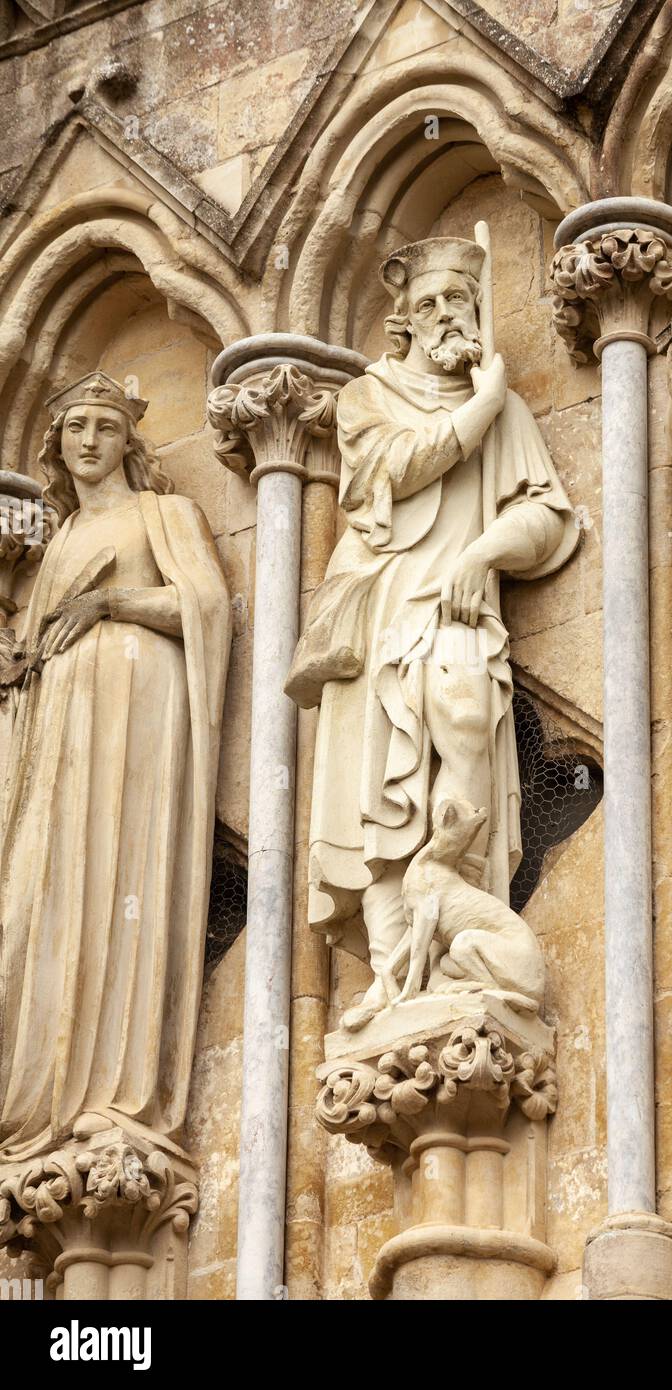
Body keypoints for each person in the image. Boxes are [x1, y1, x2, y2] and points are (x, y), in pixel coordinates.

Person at [286, 237, 578, 1028]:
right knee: (376, 803)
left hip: (455, 619)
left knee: (460, 751)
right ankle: (393, 979)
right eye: (430, 305)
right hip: (379, 615)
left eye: (461, 302)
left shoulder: (506, 412)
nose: (448, 317)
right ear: (404, 322)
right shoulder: (369, 398)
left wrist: (483, 552)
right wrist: (480, 406)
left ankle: (456, 955)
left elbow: (546, 516)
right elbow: (388, 475)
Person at [0, 371, 231, 1160]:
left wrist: (109, 605)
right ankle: (46, 1082)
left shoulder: (161, 514)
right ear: (57, 446)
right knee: (47, 886)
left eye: (104, 426)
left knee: (120, 875)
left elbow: (201, 607)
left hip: (137, 709)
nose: (89, 441)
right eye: (75, 430)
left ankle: (112, 1088)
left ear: (128, 440)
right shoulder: (56, 540)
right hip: (58, 725)